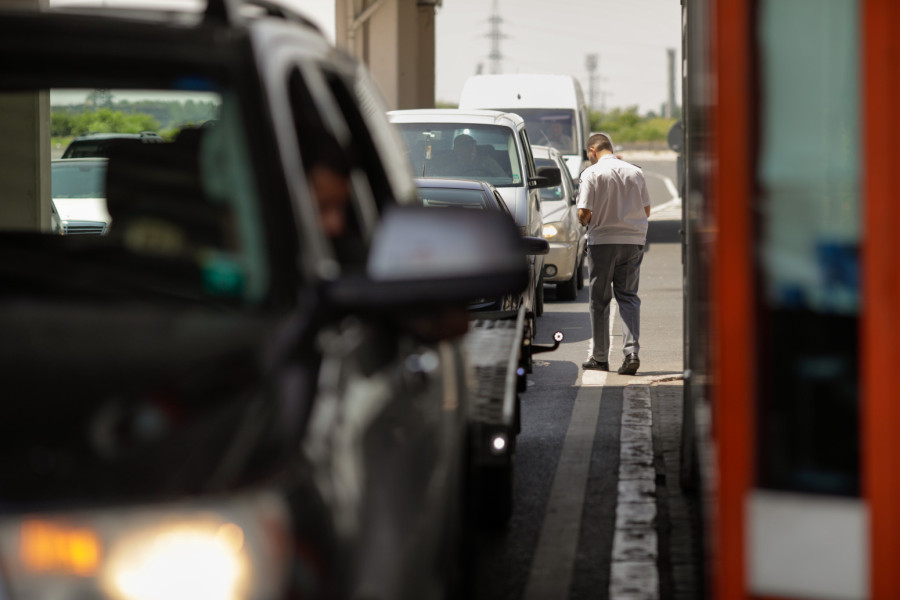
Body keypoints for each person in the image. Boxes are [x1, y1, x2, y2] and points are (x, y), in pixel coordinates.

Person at [577, 132, 651, 375]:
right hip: (633, 241)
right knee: (628, 296)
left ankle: (599, 357)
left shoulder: (592, 173)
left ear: (592, 151)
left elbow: (583, 212)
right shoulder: (635, 171)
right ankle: (631, 353)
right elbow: (646, 209)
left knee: (599, 301)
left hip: (603, 243)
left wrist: (588, 219)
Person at [434, 133, 505, 178]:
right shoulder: (450, 169)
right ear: (456, 149)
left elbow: (504, 180)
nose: (470, 148)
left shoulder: (488, 163)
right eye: (465, 145)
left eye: (472, 145)